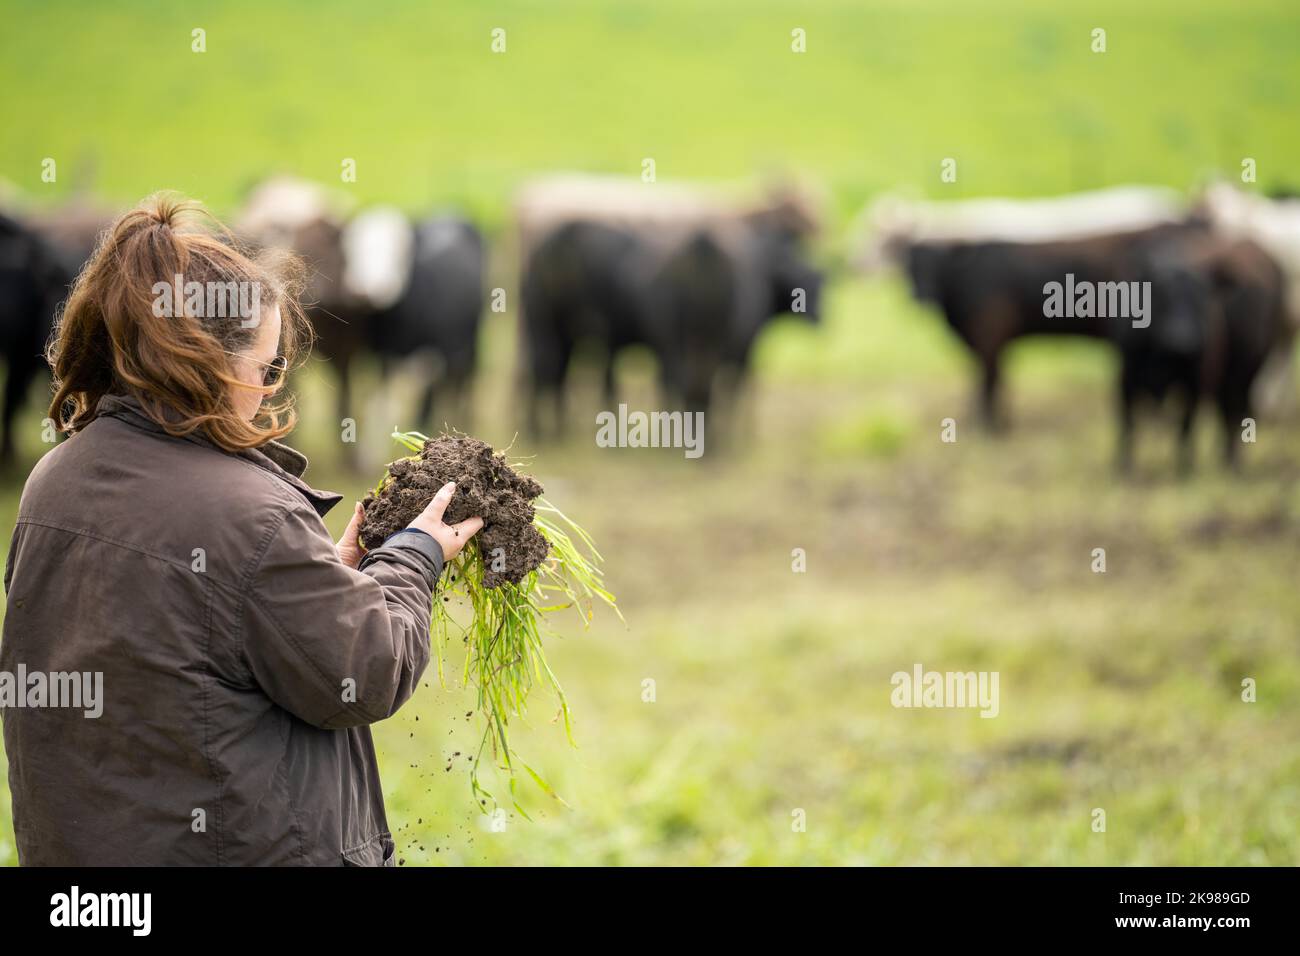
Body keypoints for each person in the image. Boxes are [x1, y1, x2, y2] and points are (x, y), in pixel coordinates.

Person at [0, 194, 482, 865]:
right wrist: (415, 555)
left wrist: (318, 578)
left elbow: (183, 633)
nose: (270, 391)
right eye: (267, 369)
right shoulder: (251, 513)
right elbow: (366, 670)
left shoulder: (54, 479)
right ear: (206, 362)